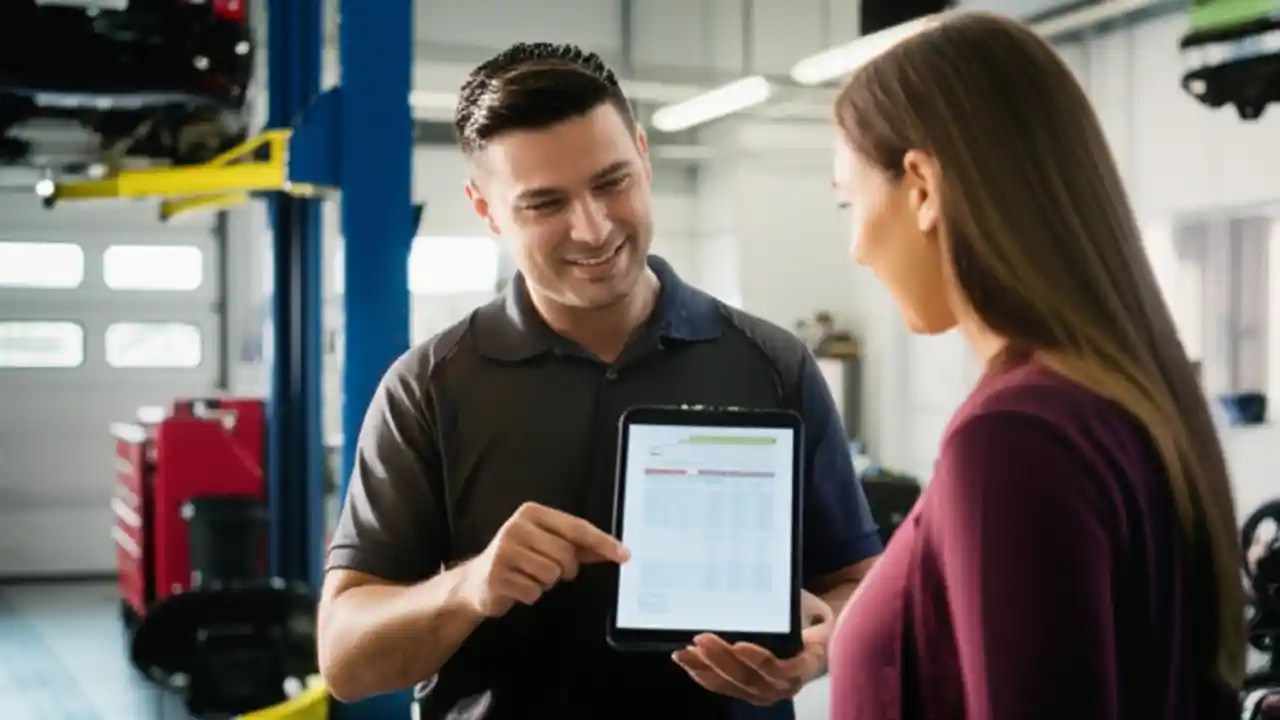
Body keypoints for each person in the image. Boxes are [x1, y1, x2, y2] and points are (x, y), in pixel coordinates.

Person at [316, 42, 883, 720]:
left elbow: (856, 581)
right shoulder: (429, 387)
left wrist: (822, 647)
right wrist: (468, 588)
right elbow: (346, 661)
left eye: (612, 182)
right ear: (485, 208)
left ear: (643, 155)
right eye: (544, 203)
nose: (592, 228)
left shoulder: (773, 362)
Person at [823, 11, 1246, 720]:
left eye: (850, 202)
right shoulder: (1118, 404)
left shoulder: (1011, 438)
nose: (856, 248)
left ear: (922, 187)